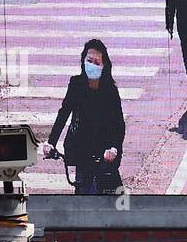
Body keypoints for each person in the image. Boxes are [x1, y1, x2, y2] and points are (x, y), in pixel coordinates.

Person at [44, 39, 126, 195]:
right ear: (83, 61)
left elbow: (119, 125)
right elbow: (64, 113)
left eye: (97, 62)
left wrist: (114, 148)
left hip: (104, 150)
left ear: (103, 65)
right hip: (80, 148)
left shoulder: (110, 90)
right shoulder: (76, 84)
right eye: (89, 61)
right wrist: (51, 142)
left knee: (114, 196)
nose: (92, 65)